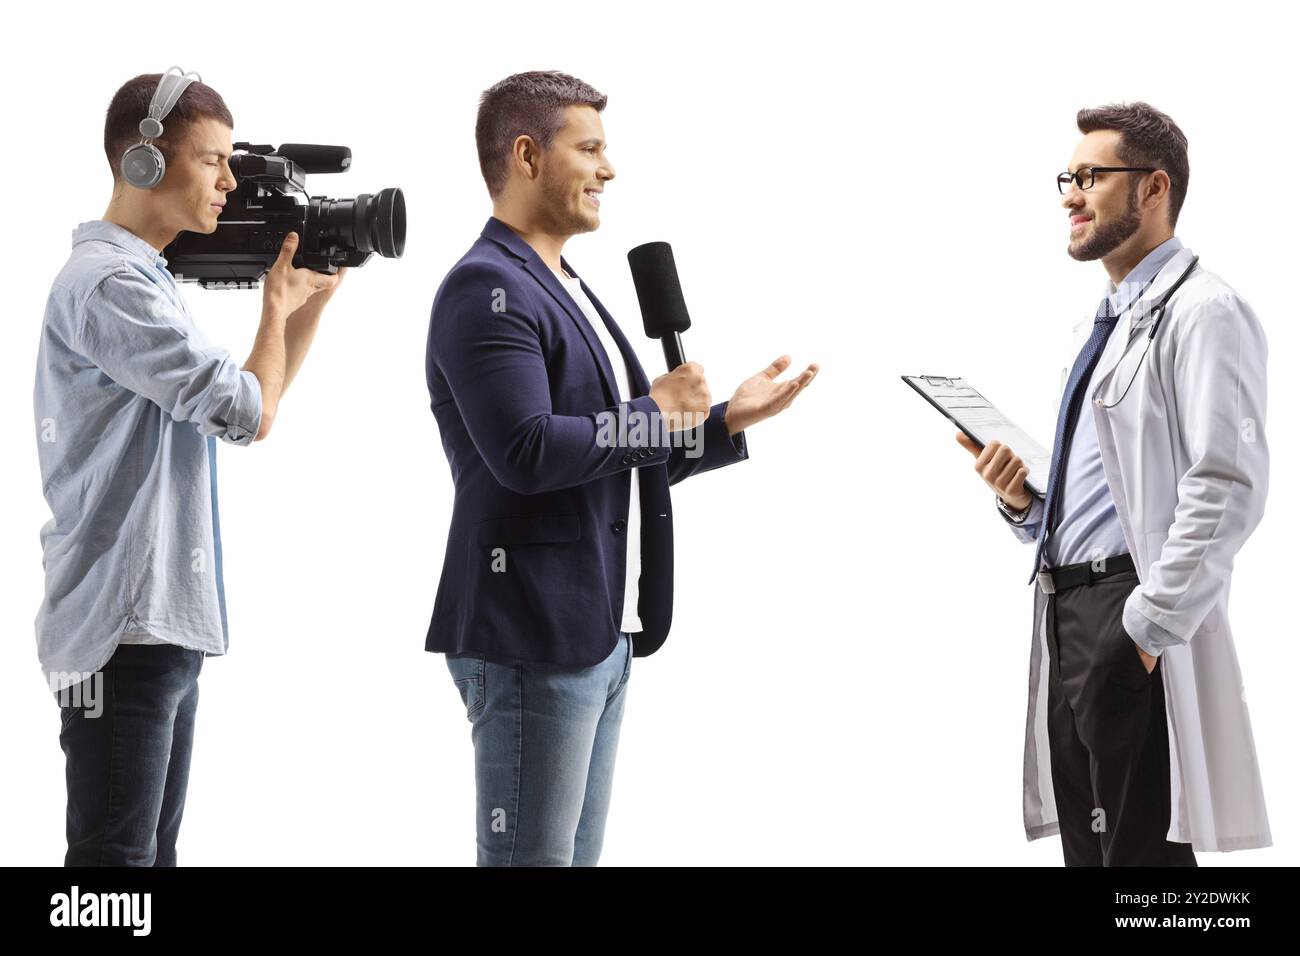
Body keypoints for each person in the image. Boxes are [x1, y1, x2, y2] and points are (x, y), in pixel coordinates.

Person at [426, 71, 819, 865]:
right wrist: (656, 412)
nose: (610, 170)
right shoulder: (485, 288)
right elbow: (528, 453)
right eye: (592, 149)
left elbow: (608, 461)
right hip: (529, 633)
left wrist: (717, 423)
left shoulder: (564, 283)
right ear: (529, 156)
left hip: (597, 634)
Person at [34, 69, 344, 865]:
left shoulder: (147, 282)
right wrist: (275, 311)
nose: (229, 182)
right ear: (143, 164)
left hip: (155, 624)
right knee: (113, 874)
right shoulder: (109, 286)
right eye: (213, 160)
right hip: (121, 630)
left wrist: (305, 305)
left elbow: (254, 407)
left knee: (144, 868)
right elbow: (242, 411)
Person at [958, 102, 1270, 865]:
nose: (1071, 193)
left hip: (1127, 615)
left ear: (1153, 187)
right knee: (1092, 853)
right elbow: (1112, 494)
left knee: (1141, 865)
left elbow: (1227, 483)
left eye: (1092, 176)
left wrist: (1144, 628)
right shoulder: (1101, 326)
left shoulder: (1205, 311)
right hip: (1068, 608)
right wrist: (1025, 501)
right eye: (1068, 176)